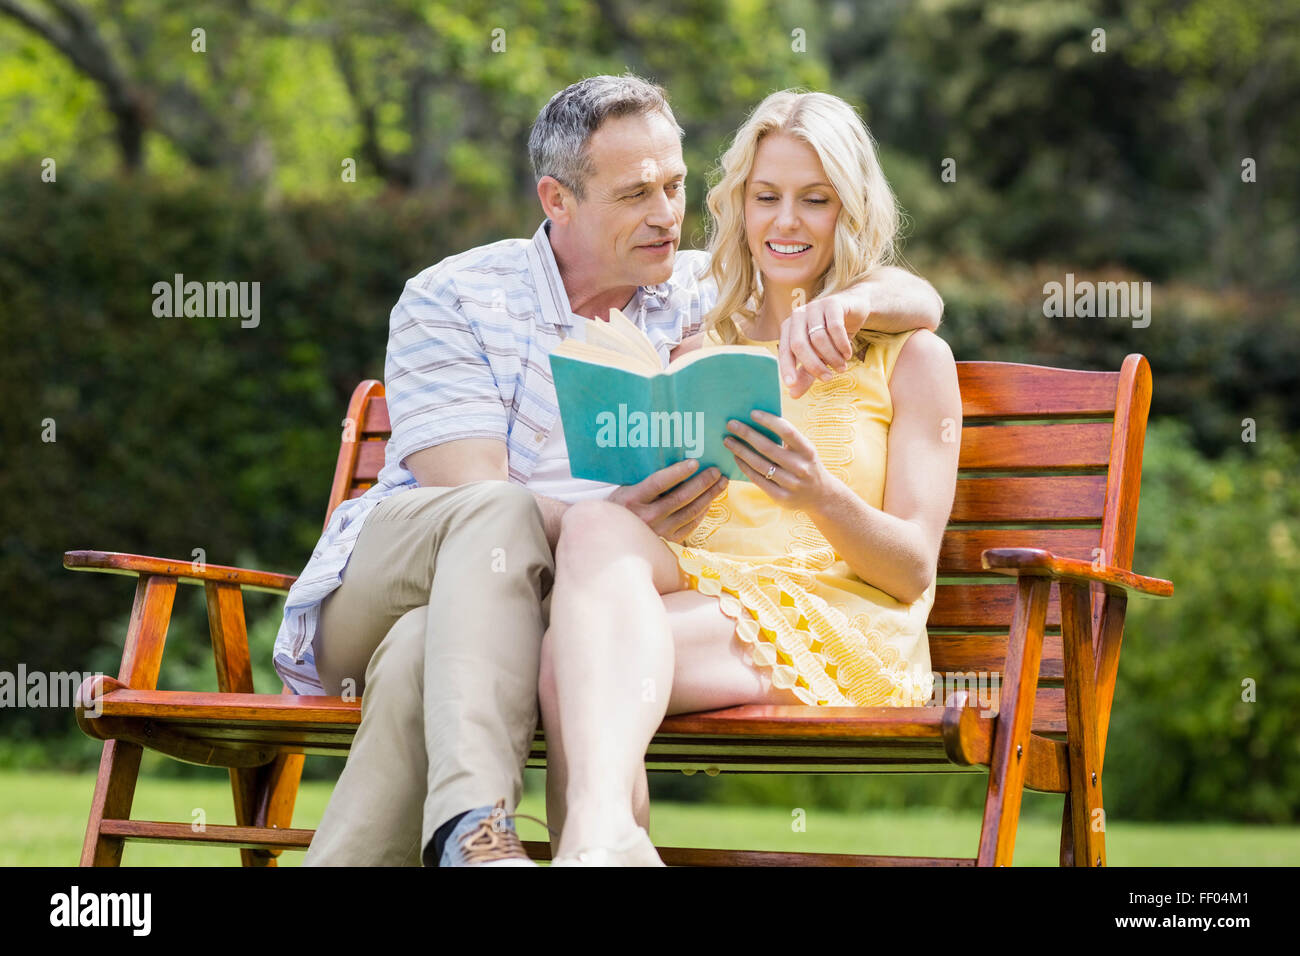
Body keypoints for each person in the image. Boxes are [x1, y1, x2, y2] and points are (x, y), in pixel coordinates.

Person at [274, 75, 945, 867]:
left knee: (434, 652)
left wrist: (862, 302)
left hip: (553, 607)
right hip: (402, 574)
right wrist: (627, 519)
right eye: (635, 194)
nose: (665, 215)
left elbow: (896, 292)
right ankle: (479, 830)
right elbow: (471, 500)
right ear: (557, 200)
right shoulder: (455, 297)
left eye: (674, 186)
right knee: (503, 516)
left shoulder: (698, 293)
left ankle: (581, 846)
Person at [539, 89, 963, 866]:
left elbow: (911, 571)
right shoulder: (703, 349)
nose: (786, 222)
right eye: (766, 197)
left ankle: (597, 843)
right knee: (599, 527)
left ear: (853, 208)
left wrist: (819, 494)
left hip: (844, 620)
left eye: (815, 199)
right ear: (740, 206)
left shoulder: (910, 358)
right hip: (710, 593)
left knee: (568, 662)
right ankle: (610, 841)